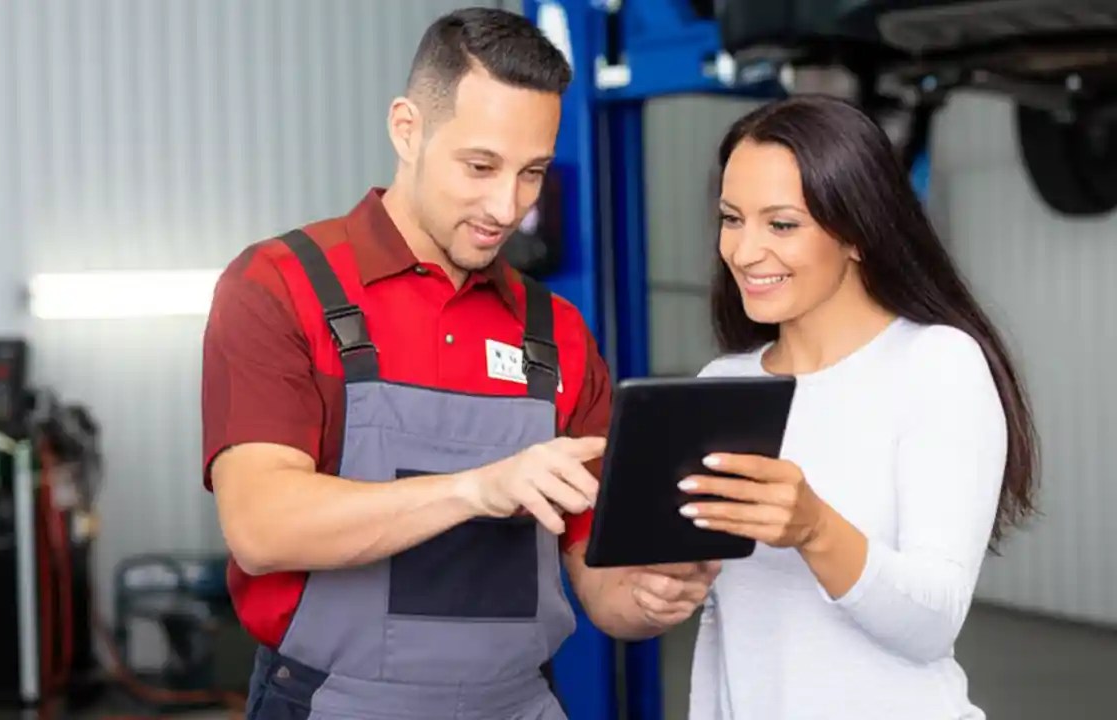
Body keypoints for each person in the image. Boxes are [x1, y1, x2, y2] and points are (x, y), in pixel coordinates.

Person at [201, 8, 718, 719]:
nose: (506, 206)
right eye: (481, 166)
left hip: (520, 704)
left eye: (531, 173)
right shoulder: (281, 286)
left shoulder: (556, 332)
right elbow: (261, 528)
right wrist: (476, 490)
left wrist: (649, 598)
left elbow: (598, 580)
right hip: (335, 704)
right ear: (407, 128)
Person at [677, 94, 1039, 719]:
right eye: (732, 219)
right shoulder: (723, 381)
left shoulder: (935, 363)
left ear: (858, 233)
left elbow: (932, 624)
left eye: (781, 224)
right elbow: (724, 625)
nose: (742, 250)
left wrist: (816, 528)